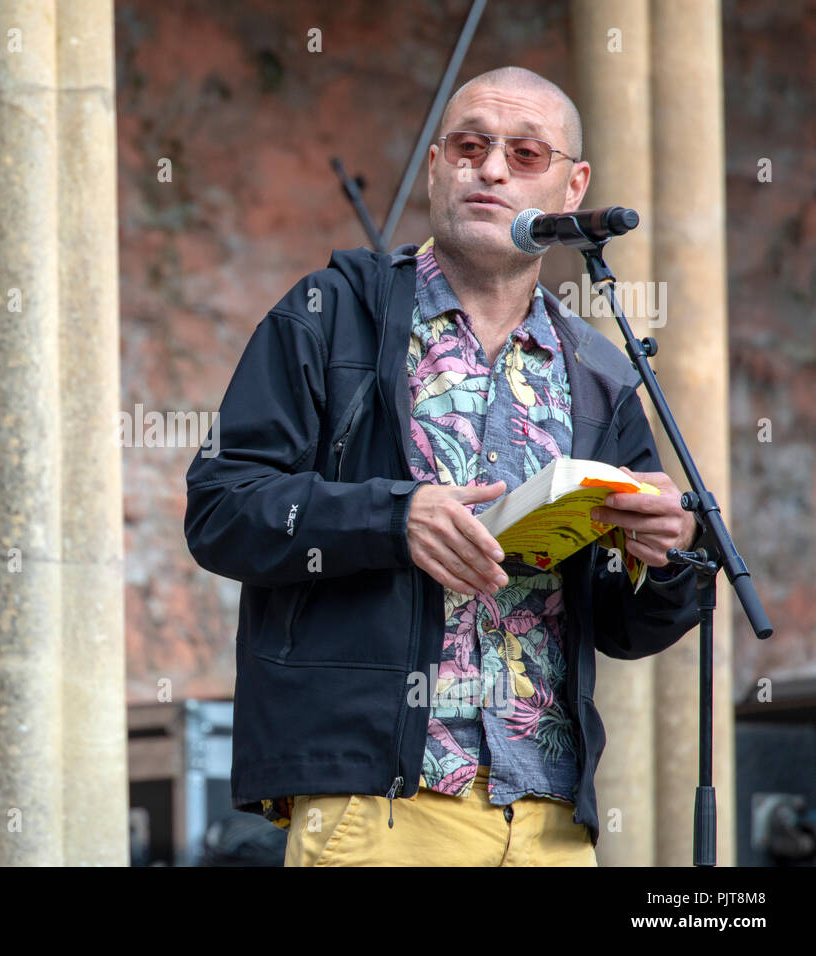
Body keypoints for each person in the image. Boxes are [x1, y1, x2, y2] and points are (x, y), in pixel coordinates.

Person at [183, 66, 706, 866]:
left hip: (549, 817)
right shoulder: (331, 316)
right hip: (379, 807)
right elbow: (222, 508)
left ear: (574, 188)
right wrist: (394, 518)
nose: (492, 169)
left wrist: (658, 560)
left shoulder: (601, 371)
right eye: (470, 147)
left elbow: (629, 630)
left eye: (525, 153)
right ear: (435, 166)